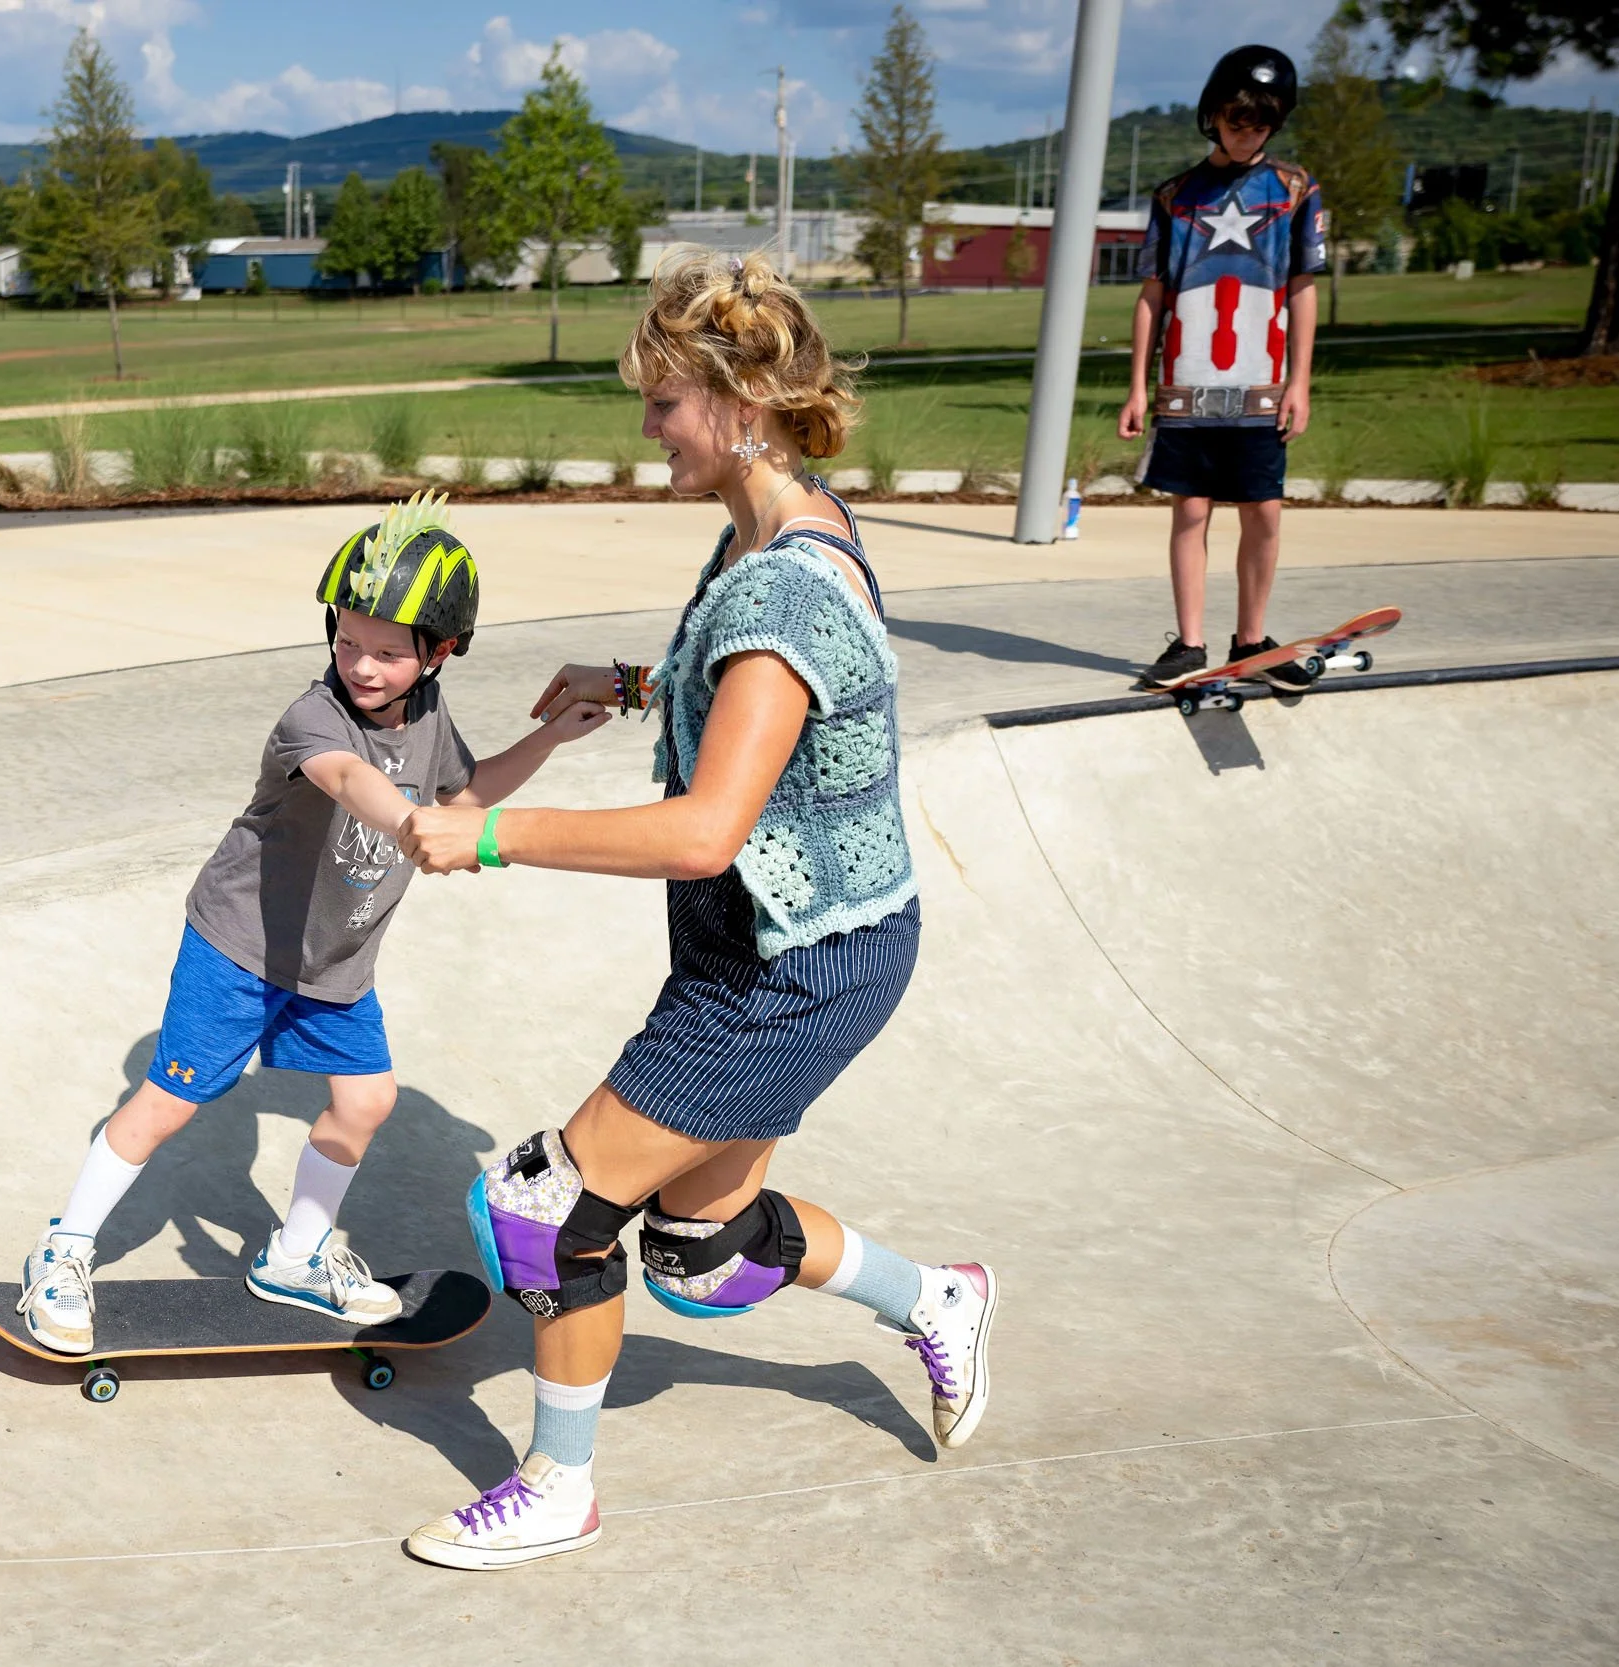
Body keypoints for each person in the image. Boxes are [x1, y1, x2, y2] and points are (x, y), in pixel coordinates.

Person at [392, 249, 995, 1571]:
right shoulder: (776, 522)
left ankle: (558, 1483)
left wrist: (492, 831)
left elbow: (706, 828)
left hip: (794, 966)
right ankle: (941, 1295)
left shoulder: (785, 584)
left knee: (543, 1206)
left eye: (665, 400)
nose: (650, 426)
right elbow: (746, 695)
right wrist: (631, 678)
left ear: (737, 401)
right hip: (791, 947)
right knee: (706, 1250)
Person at [16, 492, 610, 1352]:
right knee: (167, 1103)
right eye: (346, 641)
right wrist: (413, 827)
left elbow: (463, 796)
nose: (362, 665)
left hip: (334, 960)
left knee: (368, 1100)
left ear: (440, 652)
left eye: (387, 651)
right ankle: (61, 1249)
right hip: (242, 947)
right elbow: (350, 783)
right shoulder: (313, 719)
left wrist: (551, 738)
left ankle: (296, 1254)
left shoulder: (431, 716)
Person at [1119, 45, 1326, 692]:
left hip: (1261, 382)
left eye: (1260, 126)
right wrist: (1136, 385)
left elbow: (1301, 286)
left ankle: (1253, 638)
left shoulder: (1294, 192)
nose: (1247, 136)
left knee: (1263, 511)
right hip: (1188, 380)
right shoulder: (1176, 197)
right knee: (1191, 511)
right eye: (1237, 123)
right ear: (1213, 116)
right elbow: (1152, 293)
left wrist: (1299, 381)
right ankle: (1189, 643)